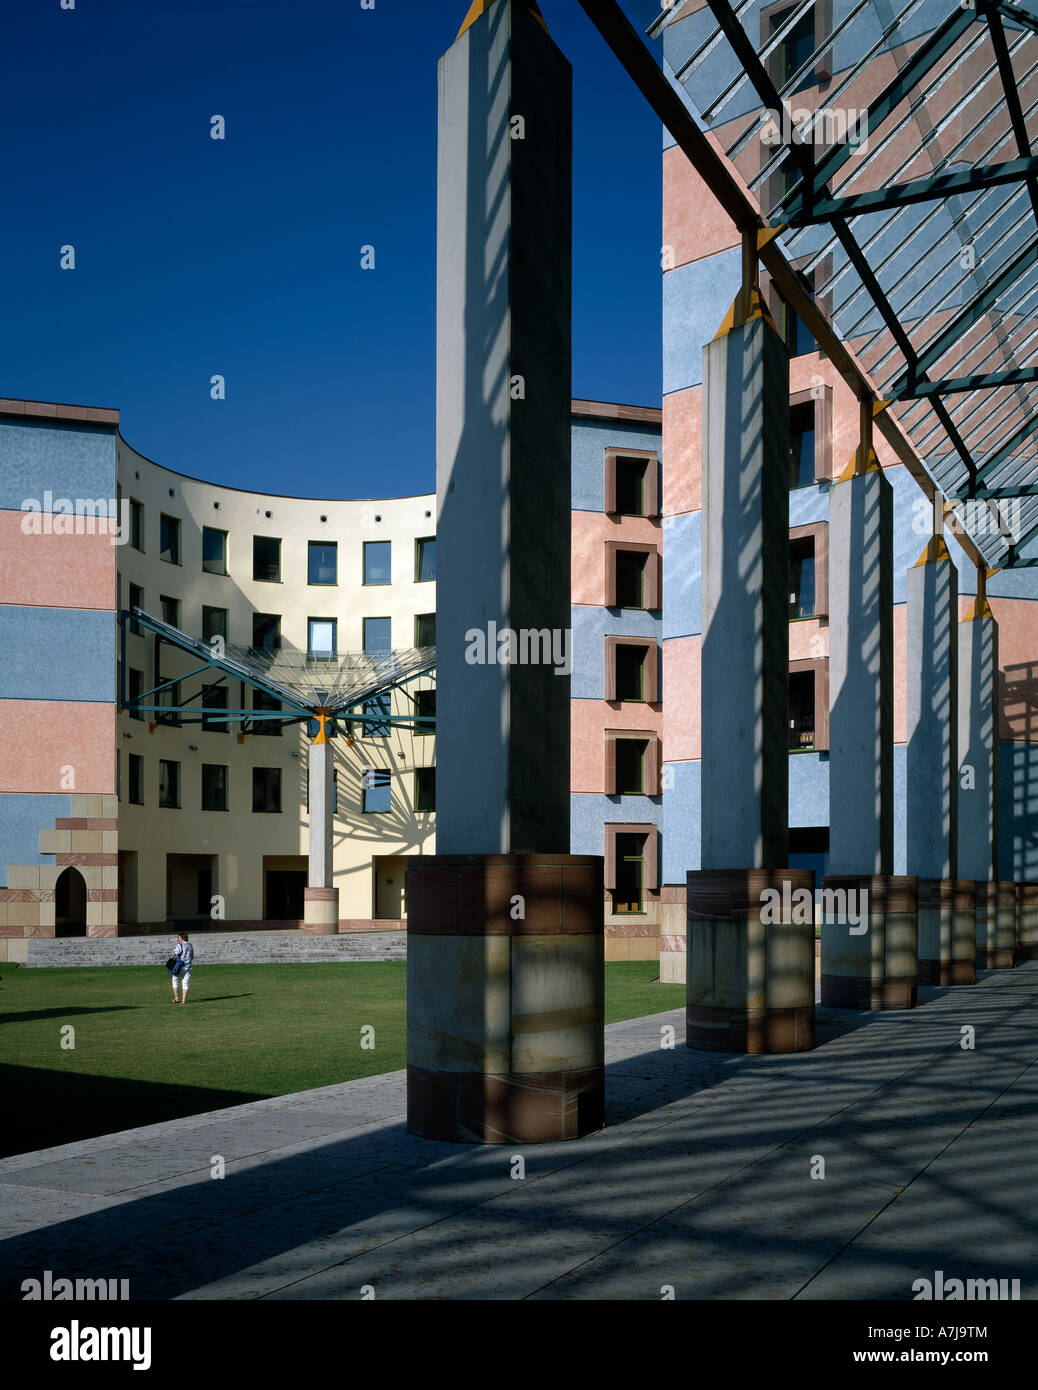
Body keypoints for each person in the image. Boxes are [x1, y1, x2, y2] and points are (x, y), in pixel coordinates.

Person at [171, 933, 195, 1005]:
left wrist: (174, 951)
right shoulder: (190, 945)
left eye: (179, 937)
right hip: (189, 966)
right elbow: (192, 956)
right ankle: (184, 1000)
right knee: (185, 982)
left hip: (180, 965)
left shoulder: (180, 945)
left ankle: (176, 998)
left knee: (175, 980)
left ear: (181, 938)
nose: (178, 939)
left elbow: (176, 952)